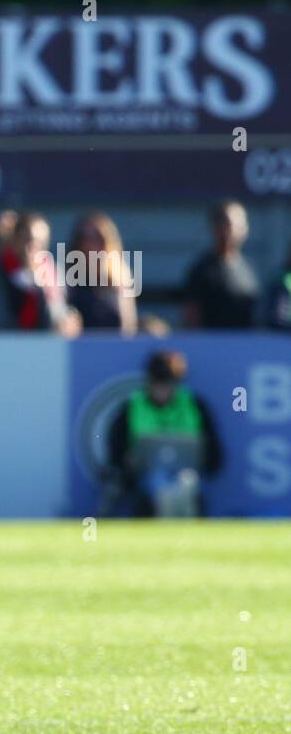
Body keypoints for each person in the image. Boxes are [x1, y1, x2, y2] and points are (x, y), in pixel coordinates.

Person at [103, 350, 222, 517]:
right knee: (158, 484)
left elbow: (214, 453)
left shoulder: (194, 406)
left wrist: (204, 459)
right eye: (158, 383)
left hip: (186, 474)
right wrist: (127, 462)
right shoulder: (133, 407)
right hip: (147, 479)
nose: (163, 389)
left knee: (186, 482)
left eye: (168, 383)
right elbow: (116, 452)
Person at [182, 200, 260, 329]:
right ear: (215, 227)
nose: (234, 230)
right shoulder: (201, 270)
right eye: (227, 224)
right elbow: (191, 317)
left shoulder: (249, 269)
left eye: (240, 224)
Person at [67, 211, 137, 335]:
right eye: (85, 238)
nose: (91, 245)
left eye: (98, 238)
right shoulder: (68, 281)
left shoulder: (120, 278)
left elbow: (128, 326)